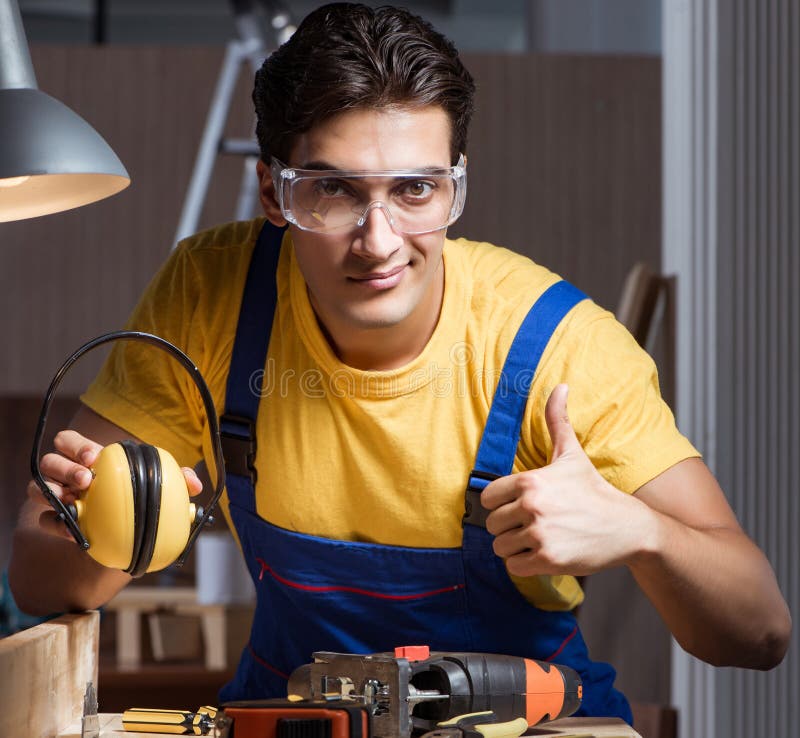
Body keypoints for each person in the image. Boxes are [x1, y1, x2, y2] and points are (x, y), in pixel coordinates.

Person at [9, 1, 790, 722]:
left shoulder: (559, 344)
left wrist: (642, 530)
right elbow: (38, 587)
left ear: (455, 187)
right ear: (273, 197)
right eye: (335, 191)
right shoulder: (213, 295)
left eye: (416, 189)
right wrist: (108, 532)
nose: (379, 241)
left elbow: (759, 633)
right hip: (287, 720)